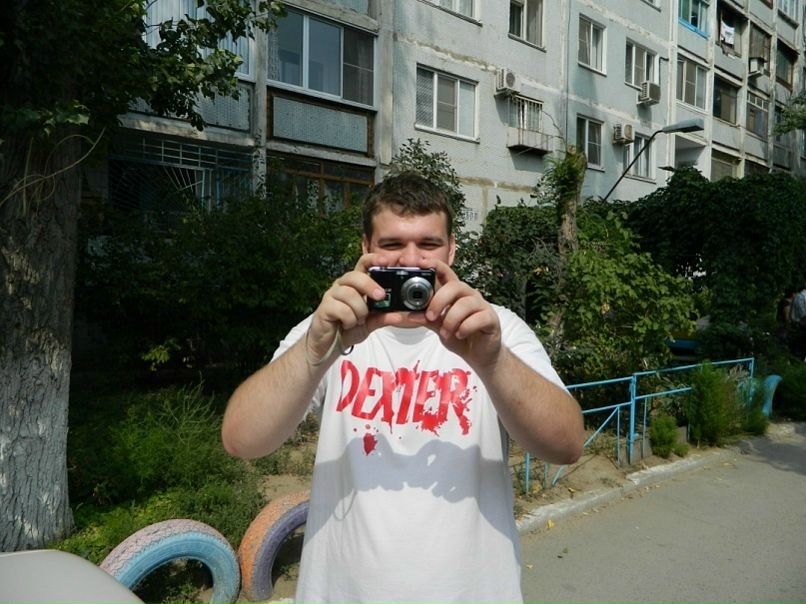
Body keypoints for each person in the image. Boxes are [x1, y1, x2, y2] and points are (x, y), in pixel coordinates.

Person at [222, 172, 584, 604]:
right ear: (366, 249)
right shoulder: (328, 329)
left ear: (451, 249)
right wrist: (314, 352)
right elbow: (242, 440)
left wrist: (492, 362)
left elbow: (567, 445)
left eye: (428, 244)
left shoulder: (493, 328)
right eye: (392, 244)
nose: (411, 261)